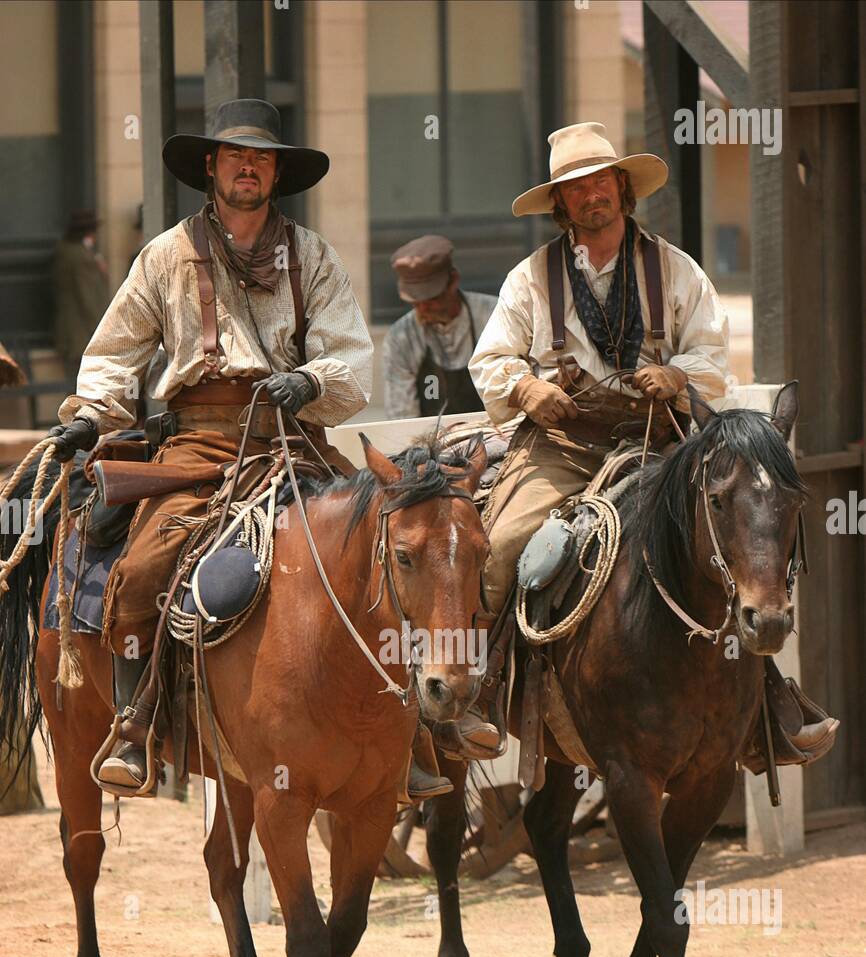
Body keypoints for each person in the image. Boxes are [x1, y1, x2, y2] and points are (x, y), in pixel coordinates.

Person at [442, 122, 835, 768]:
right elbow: (491, 361)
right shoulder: (531, 280)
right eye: (575, 187)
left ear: (622, 189)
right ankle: (480, 694)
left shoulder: (675, 271)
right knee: (503, 548)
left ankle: (769, 707)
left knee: (737, 542)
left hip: (661, 446)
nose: (591, 194)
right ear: (560, 204)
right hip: (562, 447)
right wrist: (526, 390)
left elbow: (713, 355)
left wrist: (680, 375)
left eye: (600, 181)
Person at [48, 99, 374, 794]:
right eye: (235, 156)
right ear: (211, 167)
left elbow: (350, 359)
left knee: (383, 543)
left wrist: (311, 379)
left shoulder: (312, 256)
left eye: (260, 158)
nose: (248, 168)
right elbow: (115, 354)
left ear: (276, 173)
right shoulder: (164, 255)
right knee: (138, 572)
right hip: (196, 447)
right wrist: (90, 415)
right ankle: (135, 725)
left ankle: (411, 729)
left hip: (295, 441)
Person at [382, 235, 497, 420]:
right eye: (415, 302)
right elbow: (402, 418)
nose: (423, 308)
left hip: (495, 434)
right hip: (430, 439)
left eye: (431, 299)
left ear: (453, 281)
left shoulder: (494, 316)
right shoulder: (401, 338)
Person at [53, 211, 111, 383]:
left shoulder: (65, 250)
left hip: (71, 331)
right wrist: (104, 331)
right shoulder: (81, 257)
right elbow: (89, 299)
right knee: (84, 387)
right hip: (82, 334)